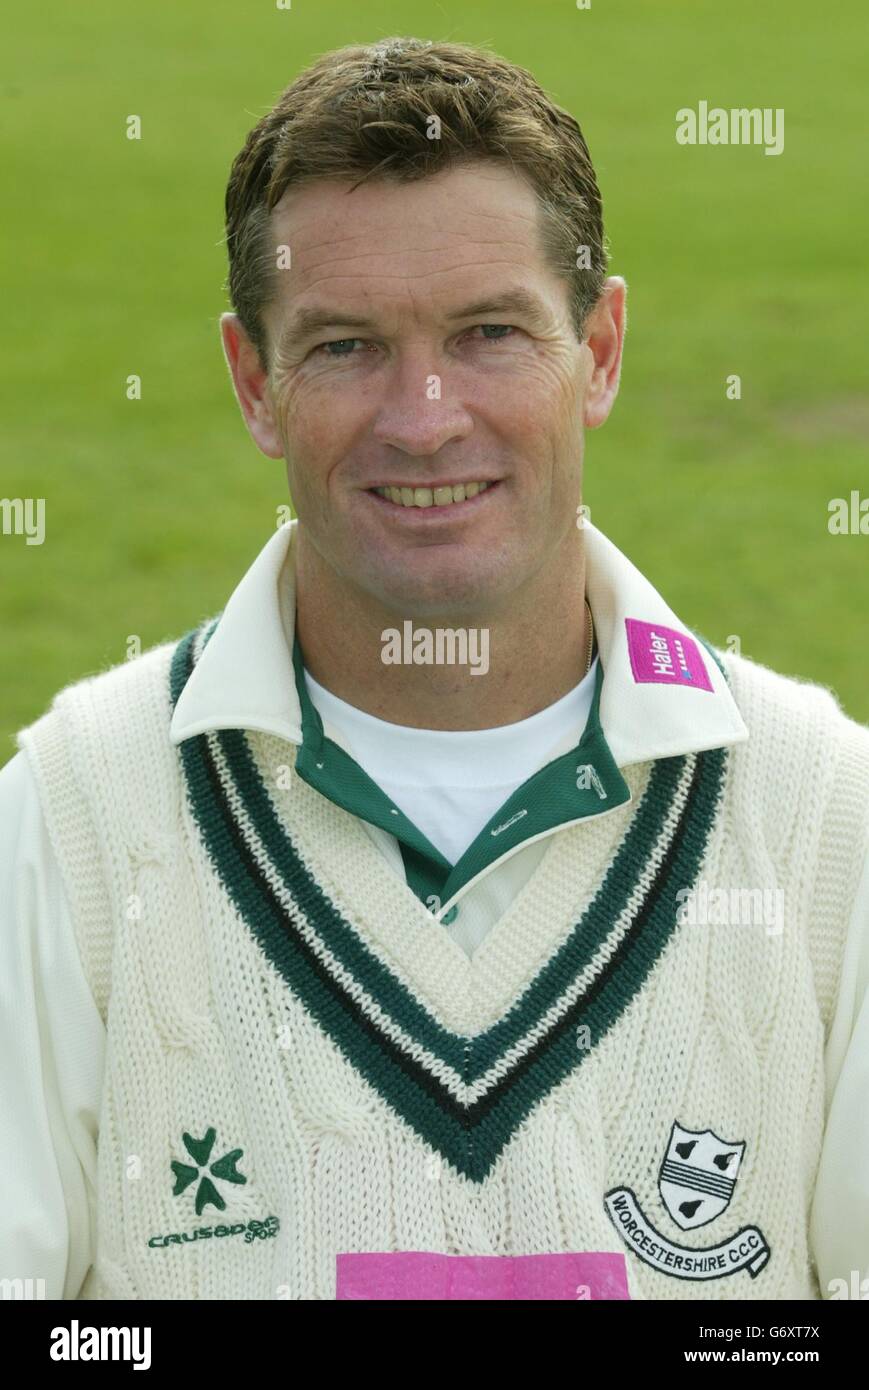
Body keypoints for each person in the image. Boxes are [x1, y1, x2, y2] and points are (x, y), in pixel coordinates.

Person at [1, 36, 867, 1302]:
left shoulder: (826, 820)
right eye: (345, 345)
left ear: (603, 351)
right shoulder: (70, 818)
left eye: (488, 333)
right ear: (253, 382)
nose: (422, 416)